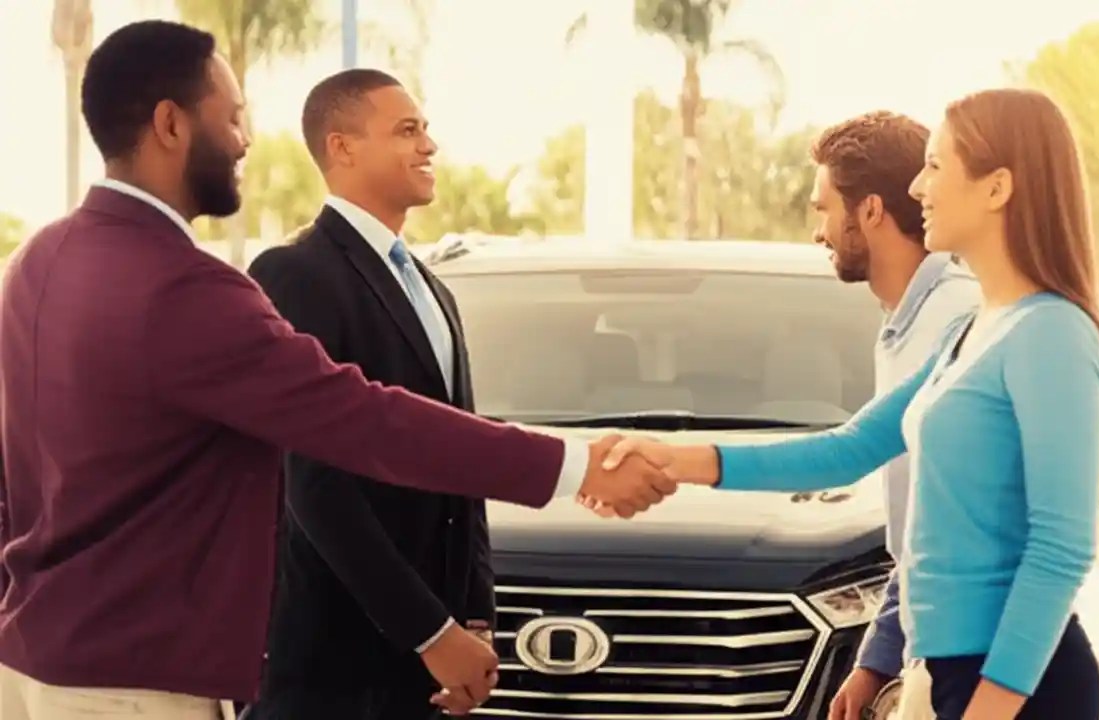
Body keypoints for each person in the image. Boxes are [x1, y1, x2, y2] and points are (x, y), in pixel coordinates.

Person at [0, 20, 672, 720]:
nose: (245, 140)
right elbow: (364, 421)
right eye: (231, 118)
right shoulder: (184, 288)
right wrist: (574, 465)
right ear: (171, 125)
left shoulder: (36, 262)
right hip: (130, 687)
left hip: (27, 668)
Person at [597, 88, 1099, 720]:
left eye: (936, 166)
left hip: (1017, 688)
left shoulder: (1052, 334)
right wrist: (672, 459)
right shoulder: (973, 331)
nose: (918, 188)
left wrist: (990, 706)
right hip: (946, 670)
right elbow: (847, 451)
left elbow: (1061, 547)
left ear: (997, 187)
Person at [239, 68, 500, 720]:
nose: (429, 146)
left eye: (426, 129)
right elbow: (314, 484)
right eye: (407, 130)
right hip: (334, 672)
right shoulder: (294, 274)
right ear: (342, 147)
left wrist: (474, 618)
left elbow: (462, 466)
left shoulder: (435, 291)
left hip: (427, 678)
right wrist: (431, 633)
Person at [805, 112, 979, 720]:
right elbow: (919, 538)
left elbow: (968, 526)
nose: (819, 233)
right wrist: (877, 661)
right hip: (932, 649)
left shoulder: (958, 319)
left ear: (871, 211)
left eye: (825, 210)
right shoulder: (906, 323)